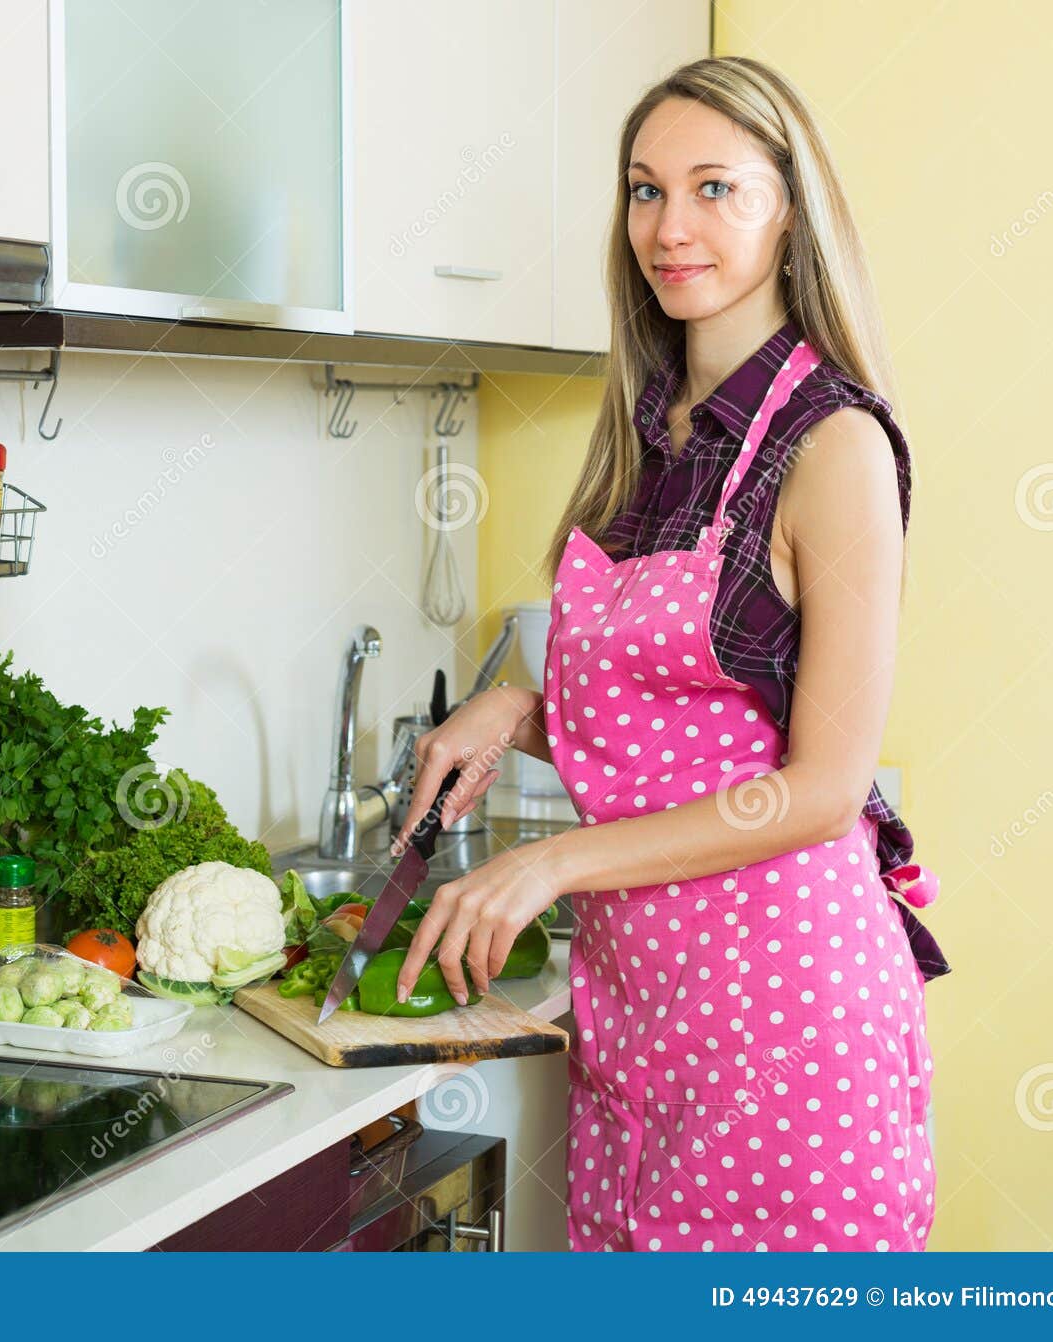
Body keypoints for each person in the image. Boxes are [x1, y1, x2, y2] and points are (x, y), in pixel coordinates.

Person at [391, 56, 948, 1252]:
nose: (670, 227)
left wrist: (549, 866)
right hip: (648, 1009)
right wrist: (514, 709)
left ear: (789, 208)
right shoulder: (651, 433)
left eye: (714, 188)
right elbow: (672, 708)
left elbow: (820, 788)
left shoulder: (833, 444)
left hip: (787, 1029)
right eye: (645, 191)